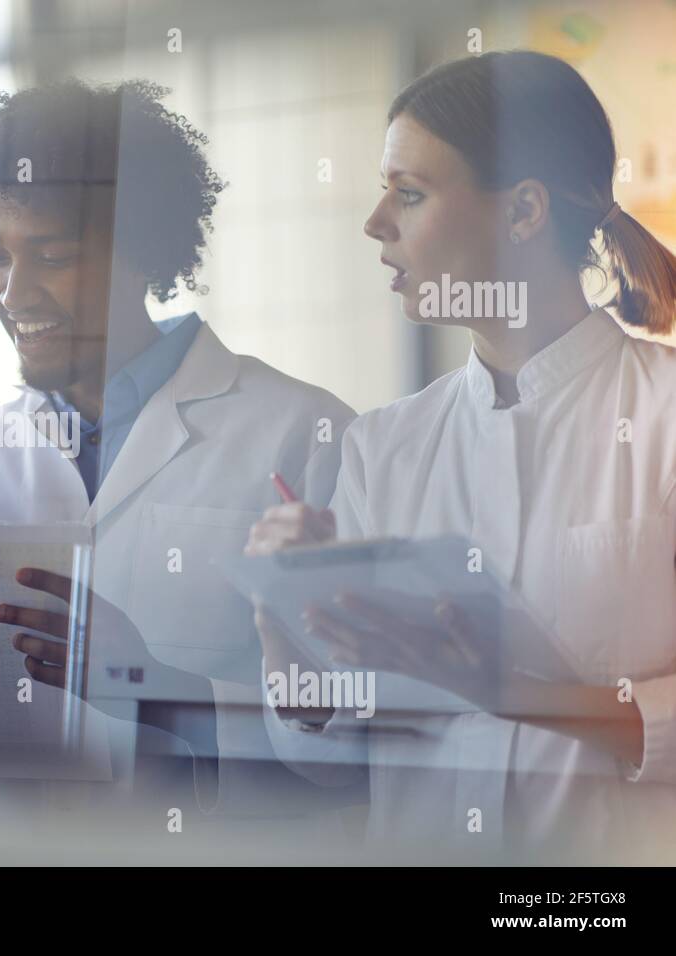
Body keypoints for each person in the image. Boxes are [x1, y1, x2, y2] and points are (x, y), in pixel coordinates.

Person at [0, 79, 355, 836]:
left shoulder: (302, 432)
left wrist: (155, 690)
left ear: (143, 252)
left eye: (50, 255)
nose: (14, 292)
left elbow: (349, 746)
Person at [247, 50, 676, 856]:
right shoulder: (384, 447)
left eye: (409, 193)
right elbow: (330, 758)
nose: (376, 222)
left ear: (523, 212)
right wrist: (281, 623)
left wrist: (520, 695)